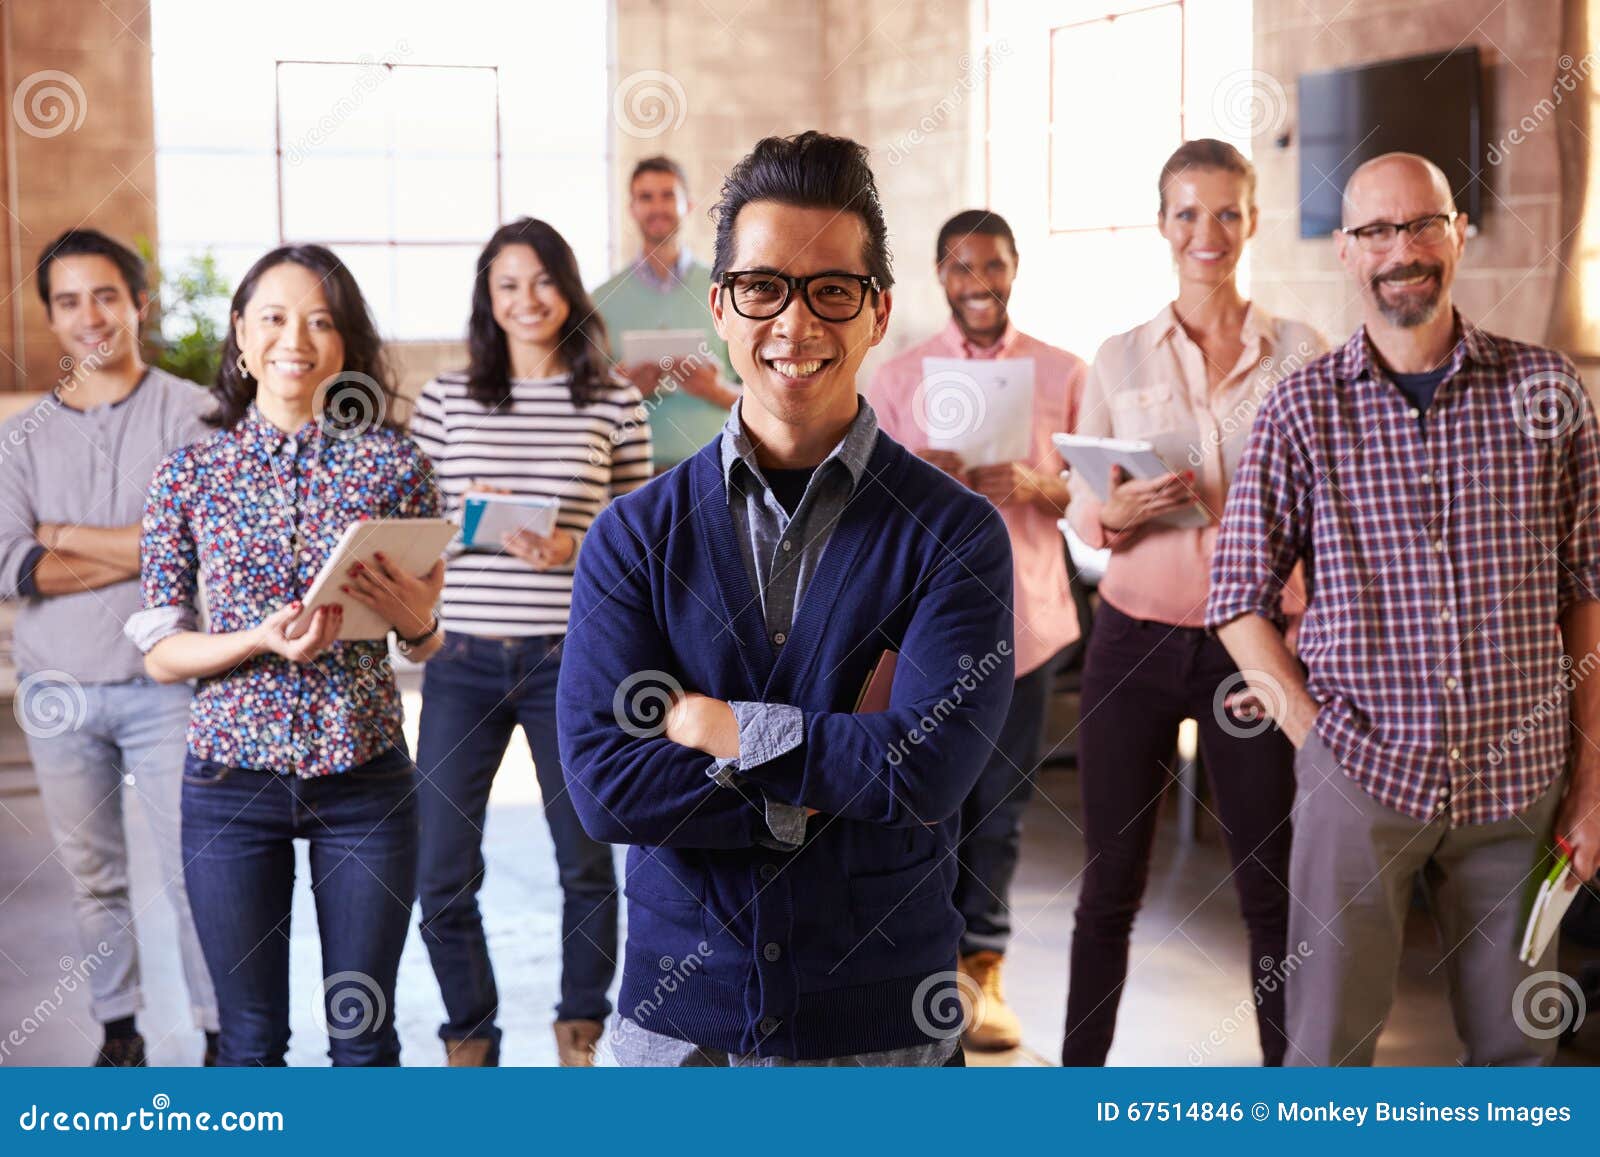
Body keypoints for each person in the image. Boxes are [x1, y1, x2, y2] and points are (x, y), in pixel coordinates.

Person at [557, 131, 1017, 1066]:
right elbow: (604, 784)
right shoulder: (634, 535)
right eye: (764, 286)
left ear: (878, 311)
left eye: (831, 291)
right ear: (722, 307)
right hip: (679, 1029)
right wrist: (822, 781)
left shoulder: (955, 533)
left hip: (885, 1032)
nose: (795, 325)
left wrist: (724, 727)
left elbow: (926, 773)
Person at [1208, 152, 1600, 1066]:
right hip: (1362, 778)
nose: (1403, 250)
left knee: (1521, 1053)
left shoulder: (1547, 392)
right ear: (1347, 252)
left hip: (1522, 788)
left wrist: (1590, 778)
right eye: (1377, 231)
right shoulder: (1300, 408)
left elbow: (1589, 587)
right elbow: (1236, 599)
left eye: (1423, 223)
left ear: (1459, 233)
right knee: (1329, 1052)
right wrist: (1319, 741)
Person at [125, 245, 446, 1067]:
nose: (294, 337)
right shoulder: (190, 474)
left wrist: (419, 623)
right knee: (251, 1039)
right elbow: (162, 652)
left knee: (364, 1036)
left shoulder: (395, 465)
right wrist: (258, 638)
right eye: (273, 316)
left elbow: (424, 633)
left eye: (320, 319)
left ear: (344, 343)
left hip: (365, 777)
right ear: (240, 332)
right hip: (231, 786)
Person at [1062, 140, 1325, 1066]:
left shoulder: (1302, 353)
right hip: (1131, 640)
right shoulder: (1119, 354)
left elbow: (1330, 499)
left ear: (1251, 222)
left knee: (1271, 890)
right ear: (1163, 224)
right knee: (1108, 888)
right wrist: (1115, 509)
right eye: (1186, 212)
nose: (1205, 232)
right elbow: (1081, 504)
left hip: (1252, 649)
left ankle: (1295, 1094)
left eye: (1225, 212)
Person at [409, 217, 652, 1068]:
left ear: (569, 288)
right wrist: (464, 513)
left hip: (569, 661)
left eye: (542, 280)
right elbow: (411, 534)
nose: (525, 300)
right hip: (461, 660)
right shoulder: (445, 398)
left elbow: (641, 540)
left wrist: (574, 546)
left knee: (585, 860)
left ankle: (580, 1026)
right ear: (487, 296)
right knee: (440, 870)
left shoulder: (615, 401)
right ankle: (469, 1032)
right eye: (506, 284)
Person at [0, 229, 218, 1066]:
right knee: (95, 879)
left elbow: (196, 545)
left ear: (138, 304)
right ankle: (118, 1026)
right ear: (51, 317)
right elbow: (12, 563)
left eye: (105, 296)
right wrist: (134, 544)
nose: (89, 316)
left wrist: (64, 536)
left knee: (194, 872)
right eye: (67, 301)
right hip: (57, 688)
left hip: (166, 684)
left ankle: (217, 1026)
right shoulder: (24, 436)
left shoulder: (192, 411)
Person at [867, 208, 1083, 1050]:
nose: (978, 283)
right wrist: (919, 479)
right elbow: (863, 506)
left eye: (991, 266)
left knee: (1001, 802)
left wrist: (1039, 484)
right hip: (922, 628)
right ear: (940, 276)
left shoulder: (1063, 371)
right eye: (960, 268)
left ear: (1014, 268)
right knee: (926, 796)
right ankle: (918, 960)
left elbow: (1100, 501)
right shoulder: (898, 378)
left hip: (1025, 622)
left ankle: (981, 968)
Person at [592, 155, 739, 470]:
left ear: (689, 205)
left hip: (715, 469)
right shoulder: (600, 302)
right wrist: (623, 392)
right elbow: (586, 410)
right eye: (646, 197)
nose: (657, 207)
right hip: (632, 475)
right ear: (632, 208)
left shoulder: (727, 290)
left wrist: (715, 391)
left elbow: (764, 399)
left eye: (668, 195)